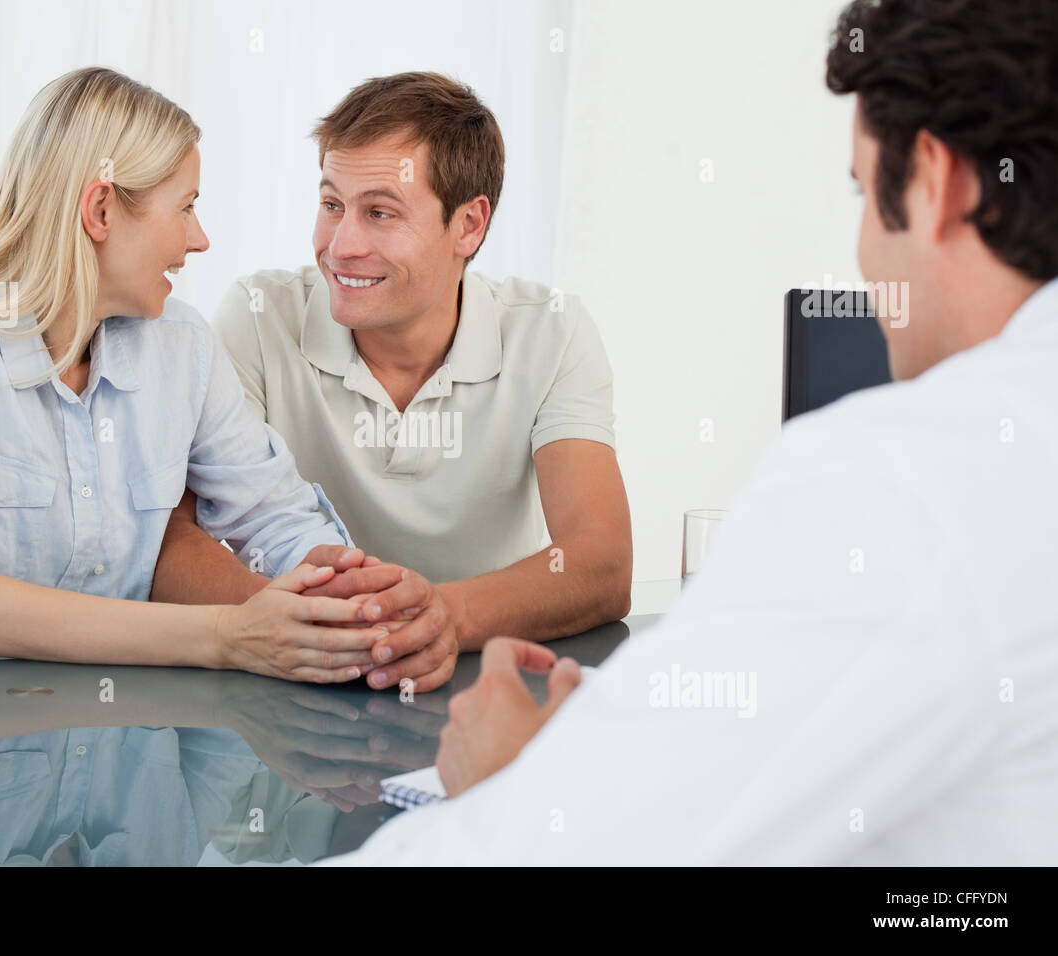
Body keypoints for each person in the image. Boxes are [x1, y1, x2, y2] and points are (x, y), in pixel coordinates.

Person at [326, 0, 1058, 864]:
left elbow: (584, 842)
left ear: (933, 184)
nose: (342, 243)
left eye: (864, 190)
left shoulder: (906, 479)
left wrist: (518, 782)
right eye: (333, 205)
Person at [0, 66, 402, 683]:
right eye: (187, 207)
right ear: (101, 209)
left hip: (102, 739)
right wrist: (227, 635)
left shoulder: (182, 346)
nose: (199, 240)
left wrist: (356, 599)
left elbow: (271, 514)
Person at [153, 72, 633, 695]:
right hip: (298, 690)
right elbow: (170, 543)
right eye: (332, 206)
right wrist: (306, 629)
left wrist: (442, 618)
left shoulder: (551, 332)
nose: (341, 246)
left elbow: (601, 562)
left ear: (469, 226)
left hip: (479, 690)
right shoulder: (257, 316)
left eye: (380, 212)